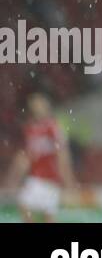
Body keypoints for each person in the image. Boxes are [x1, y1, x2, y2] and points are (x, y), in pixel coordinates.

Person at [5, 93, 76, 222]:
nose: (38, 108)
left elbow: (62, 154)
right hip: (37, 178)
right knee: (26, 205)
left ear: (46, 107)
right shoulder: (30, 129)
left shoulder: (53, 127)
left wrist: (68, 179)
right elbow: (26, 157)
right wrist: (14, 177)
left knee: (42, 214)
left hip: (51, 179)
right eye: (35, 105)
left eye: (40, 105)